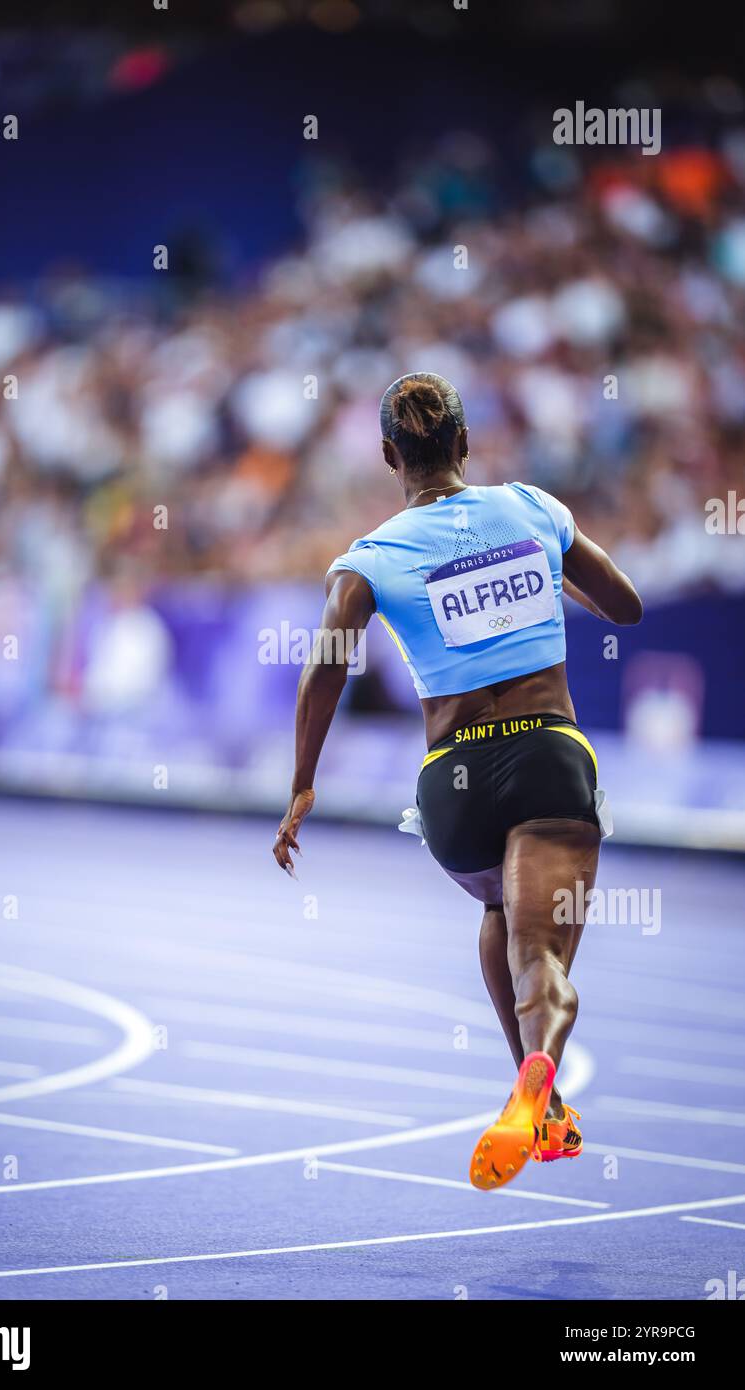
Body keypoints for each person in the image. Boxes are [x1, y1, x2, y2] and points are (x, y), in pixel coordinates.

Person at [273, 372, 642, 1190]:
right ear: (465, 446)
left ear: (387, 456)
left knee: (499, 906)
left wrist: (302, 786)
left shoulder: (368, 559)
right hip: (548, 756)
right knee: (541, 955)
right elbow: (626, 606)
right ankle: (542, 1066)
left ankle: (534, 1102)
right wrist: (535, 569)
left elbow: (322, 673)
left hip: (454, 786)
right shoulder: (532, 508)